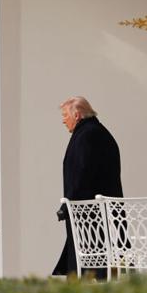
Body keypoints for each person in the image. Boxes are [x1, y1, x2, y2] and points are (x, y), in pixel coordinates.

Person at [52, 96, 123, 278]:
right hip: (97, 216)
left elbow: (81, 174)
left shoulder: (88, 135)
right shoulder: (95, 132)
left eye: (65, 115)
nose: (63, 120)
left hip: (89, 218)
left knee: (89, 268)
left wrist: (66, 206)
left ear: (76, 115)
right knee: (90, 266)